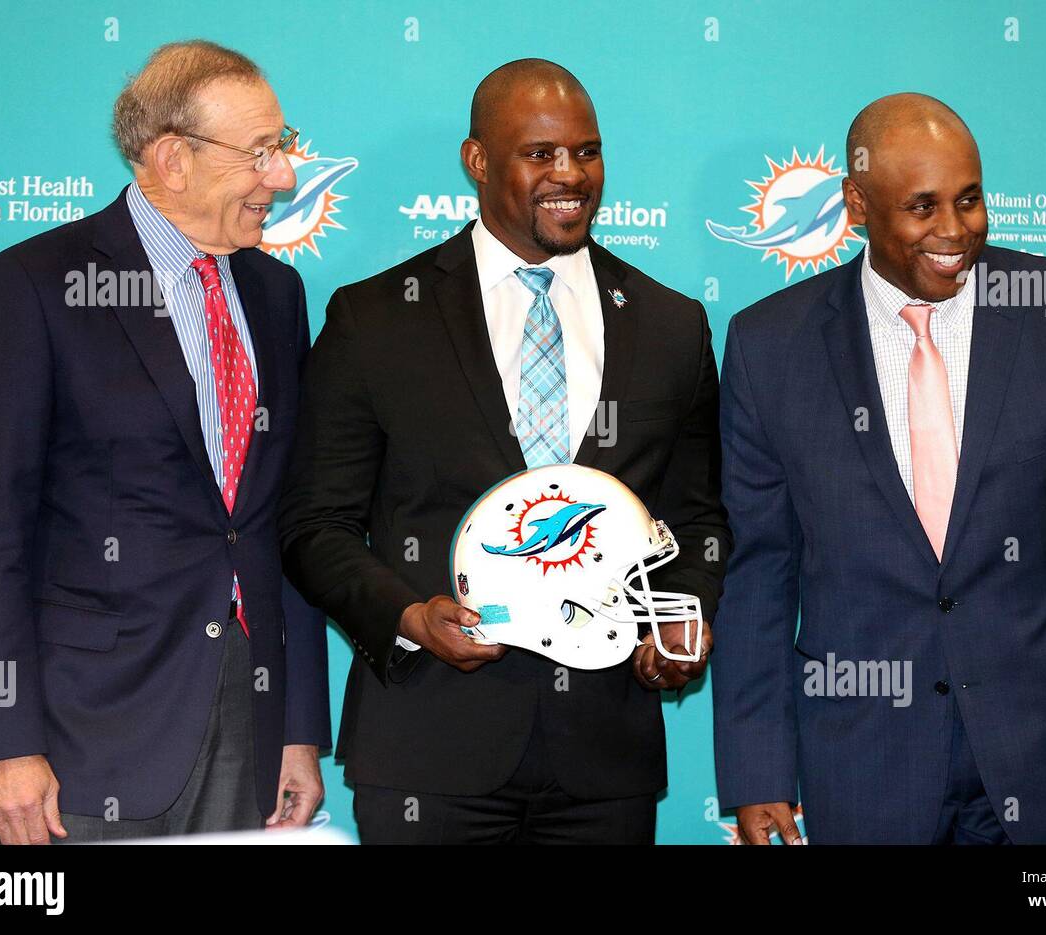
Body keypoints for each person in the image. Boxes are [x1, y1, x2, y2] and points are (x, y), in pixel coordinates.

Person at [712, 93, 1046, 844]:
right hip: (864, 758)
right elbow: (760, 574)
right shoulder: (771, 346)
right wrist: (757, 765)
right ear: (857, 204)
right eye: (922, 207)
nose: (954, 231)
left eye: (969, 200)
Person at [279, 59, 729, 844]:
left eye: (586, 152)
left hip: (606, 758)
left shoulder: (671, 325)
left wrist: (680, 619)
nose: (570, 175)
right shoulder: (376, 319)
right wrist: (410, 617)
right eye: (540, 153)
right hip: (428, 747)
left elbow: (696, 518)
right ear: (478, 161)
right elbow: (314, 525)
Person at [0, 40, 330, 843]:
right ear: (172, 160)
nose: (283, 176)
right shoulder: (36, 284)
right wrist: (4, 742)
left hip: (248, 724)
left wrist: (298, 725)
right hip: (86, 734)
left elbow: (277, 520)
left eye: (282, 147)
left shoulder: (277, 291)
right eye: (260, 153)